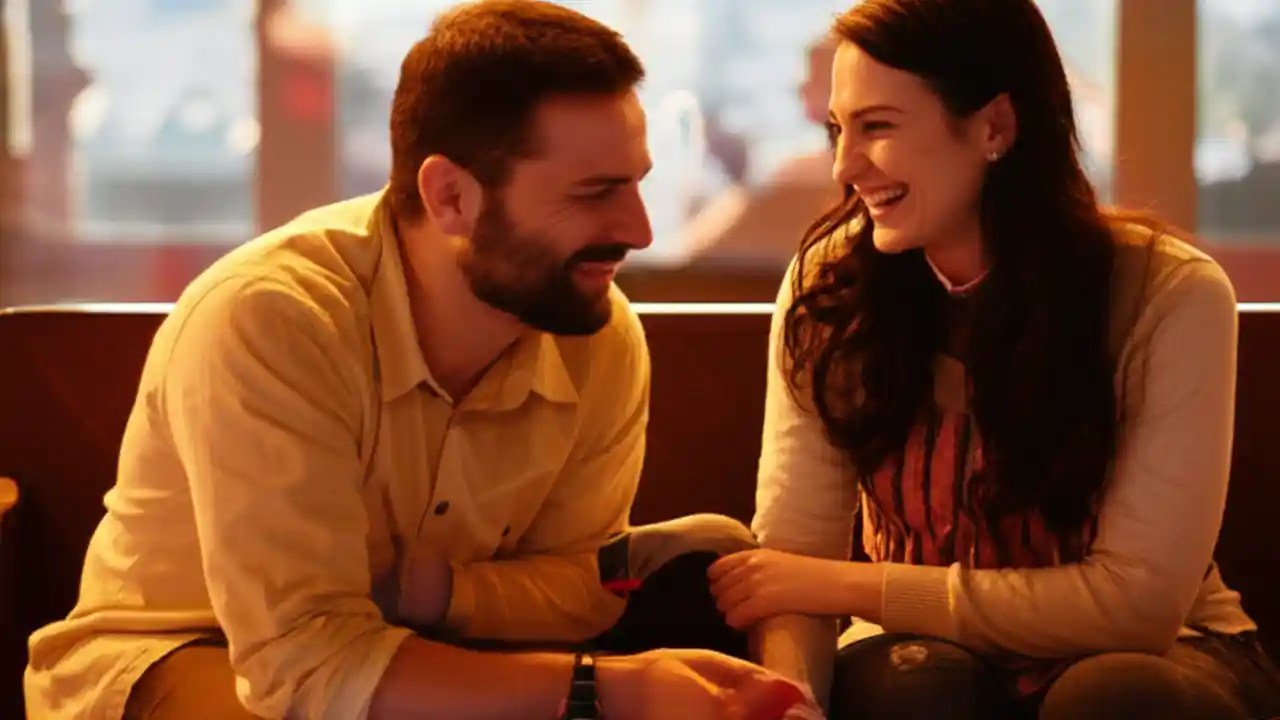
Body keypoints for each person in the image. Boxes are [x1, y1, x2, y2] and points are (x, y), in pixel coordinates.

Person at [23, 2, 822, 718]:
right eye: (593, 193)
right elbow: (303, 668)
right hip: (184, 655)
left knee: (710, 557)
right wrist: (609, 688)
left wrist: (436, 595)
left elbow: (584, 588)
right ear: (451, 198)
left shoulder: (598, 332)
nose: (640, 230)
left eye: (638, 185)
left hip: (433, 656)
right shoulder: (276, 318)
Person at [707, 0, 1280, 718]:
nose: (846, 167)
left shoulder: (1167, 295)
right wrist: (793, 704)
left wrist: (849, 585)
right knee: (915, 690)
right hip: (923, 656)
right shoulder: (831, 290)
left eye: (877, 127)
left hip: (1163, 655)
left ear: (995, 127)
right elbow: (789, 569)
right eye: (836, 130)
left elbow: (1135, 607)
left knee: (1113, 697)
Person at [674, 35, 841, 268]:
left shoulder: (795, 178)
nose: (800, 88)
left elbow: (692, 253)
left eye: (816, 79)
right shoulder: (792, 173)